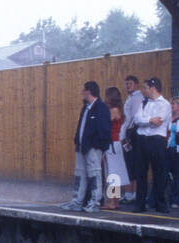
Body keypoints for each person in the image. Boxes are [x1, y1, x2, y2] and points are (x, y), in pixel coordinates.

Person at [61, 81, 112, 212]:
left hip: (93, 148)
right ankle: (77, 201)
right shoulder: (86, 107)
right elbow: (81, 126)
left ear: (89, 91)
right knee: (79, 173)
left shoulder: (101, 108)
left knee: (95, 173)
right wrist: (77, 141)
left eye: (84, 90)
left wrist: (95, 145)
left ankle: (95, 202)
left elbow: (104, 130)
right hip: (82, 146)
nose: (82, 93)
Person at [132, 77, 171, 213]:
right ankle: (140, 204)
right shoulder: (144, 103)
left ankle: (160, 203)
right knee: (140, 173)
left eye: (145, 88)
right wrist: (149, 119)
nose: (143, 90)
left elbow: (159, 121)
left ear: (153, 88)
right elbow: (137, 119)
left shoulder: (165, 104)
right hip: (142, 139)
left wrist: (145, 120)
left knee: (158, 173)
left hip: (157, 140)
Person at [119, 75, 144, 203]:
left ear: (136, 84)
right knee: (130, 164)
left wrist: (126, 136)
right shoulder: (131, 98)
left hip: (132, 134)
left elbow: (133, 119)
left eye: (130, 84)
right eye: (126, 84)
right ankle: (131, 194)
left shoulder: (137, 99)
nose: (128, 86)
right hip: (129, 133)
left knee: (130, 165)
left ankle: (130, 194)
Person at [103, 86, 128, 209]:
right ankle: (114, 201)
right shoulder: (118, 109)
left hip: (112, 143)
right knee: (115, 173)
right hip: (115, 143)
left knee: (112, 173)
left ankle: (112, 201)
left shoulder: (113, 110)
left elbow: (106, 125)